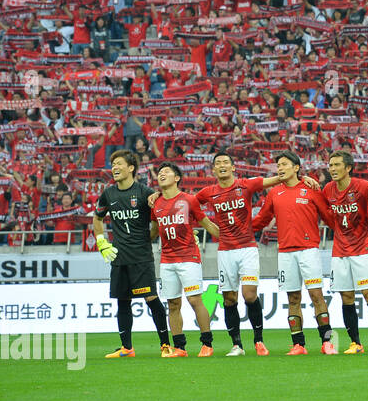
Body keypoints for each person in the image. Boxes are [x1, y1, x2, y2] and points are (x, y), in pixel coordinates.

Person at [196, 152, 305, 356]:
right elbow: (191, 205)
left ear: (233, 167)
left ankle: (258, 341)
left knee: (249, 294)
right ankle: (237, 345)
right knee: (229, 298)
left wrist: (302, 178)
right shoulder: (208, 192)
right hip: (225, 251)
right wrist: (210, 228)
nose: (222, 165)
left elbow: (278, 178)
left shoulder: (246, 184)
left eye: (226, 162)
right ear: (213, 170)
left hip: (247, 248)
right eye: (217, 163)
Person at [251, 151, 338, 355]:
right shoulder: (274, 193)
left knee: (316, 295)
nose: (280, 168)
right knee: (293, 299)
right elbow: (262, 219)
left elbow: (329, 217)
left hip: (309, 250)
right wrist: (241, 228)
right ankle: (298, 344)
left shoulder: (311, 189)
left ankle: (327, 341)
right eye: (278, 165)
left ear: (296, 168)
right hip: (285, 253)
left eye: (284, 164)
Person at [94, 149, 171, 358]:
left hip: (141, 257)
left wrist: (149, 238)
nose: (115, 168)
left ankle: (165, 345)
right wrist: (102, 242)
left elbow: (156, 221)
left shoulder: (145, 193)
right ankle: (126, 348)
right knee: (122, 301)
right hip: (119, 257)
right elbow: (97, 218)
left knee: (151, 298)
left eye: (119, 164)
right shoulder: (108, 194)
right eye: (113, 165)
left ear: (131, 168)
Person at [315, 150, 368, 354]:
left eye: (337, 165)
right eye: (330, 165)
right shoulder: (328, 190)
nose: (332, 169)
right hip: (340, 251)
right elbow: (323, 211)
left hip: (361, 249)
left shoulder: (362, 186)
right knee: (347, 297)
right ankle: (355, 343)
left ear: (348, 168)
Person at [149, 162, 222, 357]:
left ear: (177, 178)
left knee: (194, 299)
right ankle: (180, 347)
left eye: (166, 172)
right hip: (166, 260)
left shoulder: (188, 200)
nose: (162, 174)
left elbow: (206, 223)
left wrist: (227, 238)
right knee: (173, 304)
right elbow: (154, 231)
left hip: (188, 257)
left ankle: (207, 344)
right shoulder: (155, 203)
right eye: (160, 172)